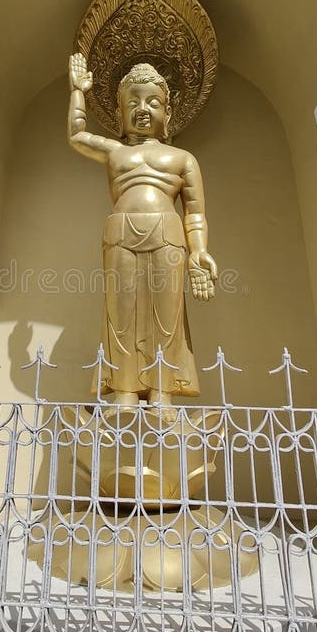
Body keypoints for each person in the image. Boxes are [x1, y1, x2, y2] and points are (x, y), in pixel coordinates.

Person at [67, 52, 217, 406]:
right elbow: (77, 135)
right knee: (121, 315)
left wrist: (199, 250)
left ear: (168, 112)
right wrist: (77, 92)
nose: (143, 109)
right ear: (120, 113)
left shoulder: (182, 159)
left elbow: (195, 214)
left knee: (166, 317)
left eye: (153, 102)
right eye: (132, 103)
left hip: (168, 238)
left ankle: (162, 393)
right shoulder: (115, 151)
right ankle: (125, 392)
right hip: (120, 236)